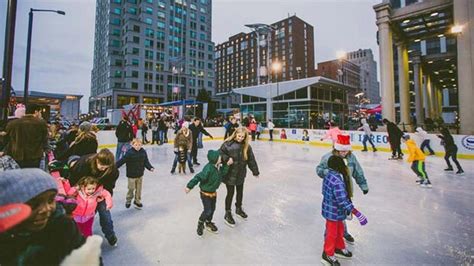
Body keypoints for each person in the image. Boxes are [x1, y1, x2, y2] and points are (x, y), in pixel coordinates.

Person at [0, 168, 86, 265]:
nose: (46, 209)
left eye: (50, 200)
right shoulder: (4, 240)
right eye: (33, 204)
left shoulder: (63, 226)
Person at [316, 134, 369, 244]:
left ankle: (343, 232)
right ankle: (330, 239)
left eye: (346, 151)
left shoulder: (351, 157)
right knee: (334, 216)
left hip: (346, 190)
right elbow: (319, 169)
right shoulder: (328, 157)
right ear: (336, 149)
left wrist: (363, 185)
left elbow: (358, 171)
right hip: (332, 192)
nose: (344, 153)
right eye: (341, 151)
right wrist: (327, 173)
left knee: (343, 213)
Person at [321, 156, 367, 266]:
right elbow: (342, 201)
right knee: (331, 234)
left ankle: (338, 247)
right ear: (339, 166)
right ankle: (328, 254)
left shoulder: (329, 175)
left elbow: (324, 191)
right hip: (333, 212)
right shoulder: (337, 181)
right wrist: (356, 212)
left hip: (333, 211)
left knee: (340, 230)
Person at [68, 149, 119, 246]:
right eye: (101, 166)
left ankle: (111, 236)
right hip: (82, 194)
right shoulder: (84, 163)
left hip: (99, 194)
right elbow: (72, 178)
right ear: (97, 161)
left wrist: (103, 197)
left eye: (106, 167)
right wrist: (75, 192)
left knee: (105, 214)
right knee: (83, 215)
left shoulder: (113, 171)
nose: (103, 169)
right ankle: (77, 236)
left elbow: (110, 186)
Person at [219, 127, 259, 227]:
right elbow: (220, 153)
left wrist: (255, 171)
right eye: (239, 136)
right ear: (235, 134)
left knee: (240, 192)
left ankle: (238, 208)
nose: (240, 138)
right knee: (230, 193)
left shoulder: (247, 147)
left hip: (241, 173)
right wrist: (226, 158)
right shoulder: (227, 144)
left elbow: (251, 160)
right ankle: (227, 213)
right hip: (229, 174)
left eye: (243, 137)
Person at [185, 150, 231, 236]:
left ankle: (208, 222)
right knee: (208, 210)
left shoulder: (217, 167)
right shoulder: (208, 168)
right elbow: (198, 177)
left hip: (213, 193)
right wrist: (189, 186)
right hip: (205, 193)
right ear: (215, 159)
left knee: (212, 209)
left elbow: (223, 173)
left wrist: (227, 165)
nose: (221, 158)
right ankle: (200, 223)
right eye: (219, 157)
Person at [3, 103, 48, 168]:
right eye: (40, 112)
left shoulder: (12, 124)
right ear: (36, 112)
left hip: (17, 156)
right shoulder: (41, 123)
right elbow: (44, 140)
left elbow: (7, 140)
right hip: (35, 157)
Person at [116, 139, 154, 209]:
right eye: (136, 145)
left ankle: (137, 201)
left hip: (140, 174)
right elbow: (122, 160)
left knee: (139, 189)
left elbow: (146, 161)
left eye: (139, 145)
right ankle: (128, 200)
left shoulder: (143, 152)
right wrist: (115, 166)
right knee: (131, 188)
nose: (137, 146)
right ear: (132, 145)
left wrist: (150, 167)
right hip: (131, 175)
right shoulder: (129, 153)